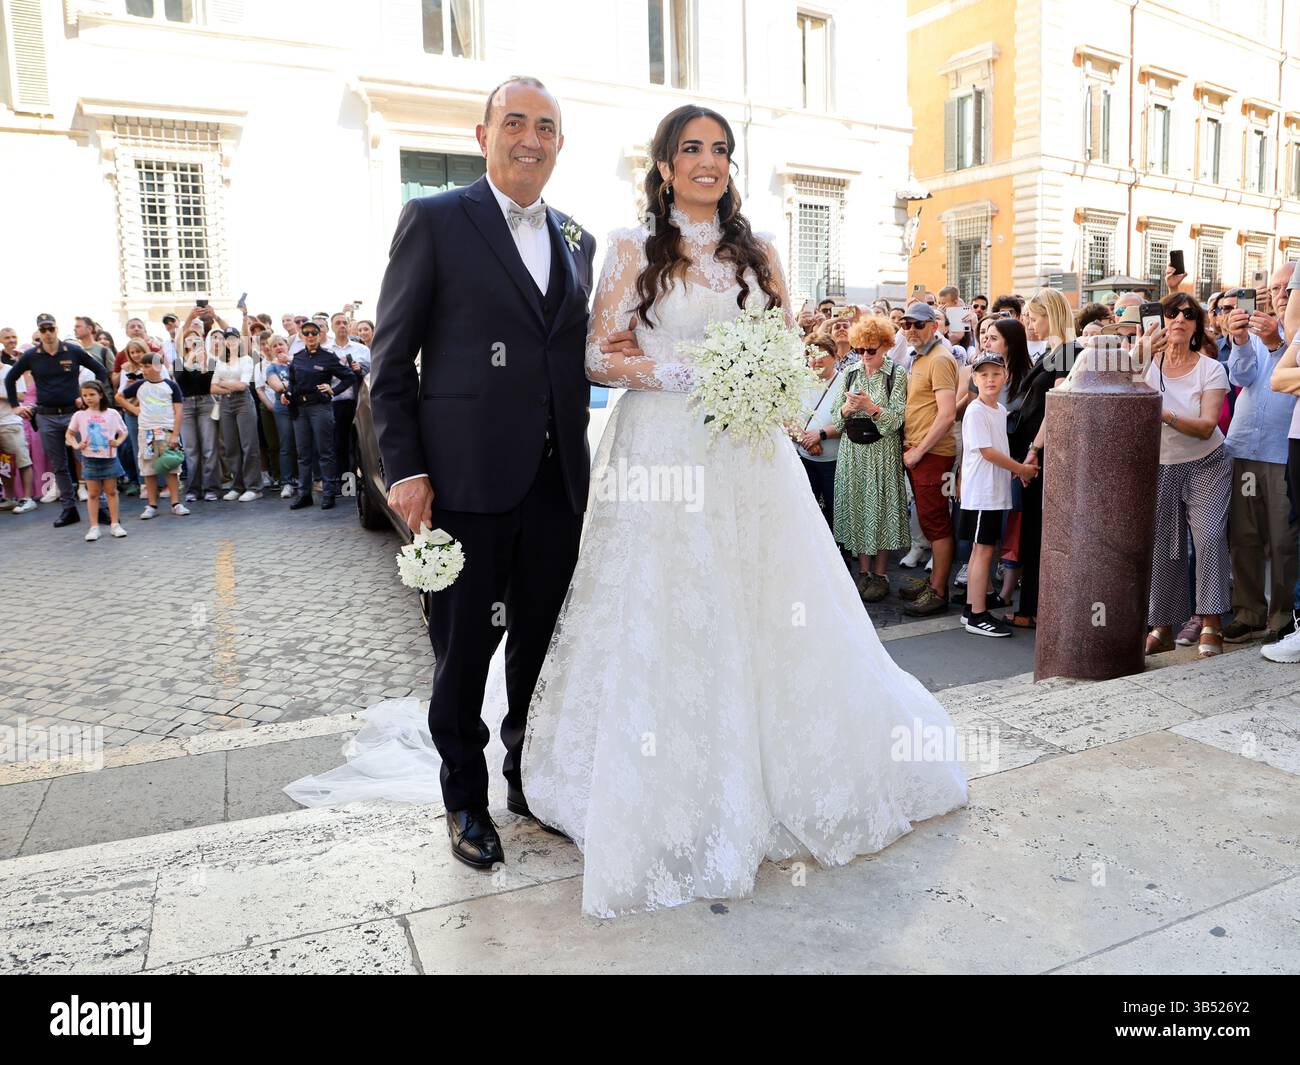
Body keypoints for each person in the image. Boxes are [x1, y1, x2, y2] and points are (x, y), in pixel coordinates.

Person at [353, 75, 595, 868]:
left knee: (541, 641)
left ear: (561, 142)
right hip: (464, 485)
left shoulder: (577, 239)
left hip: (558, 486)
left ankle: (528, 777)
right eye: (516, 122)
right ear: (483, 132)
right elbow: (390, 364)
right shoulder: (434, 219)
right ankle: (466, 800)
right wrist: (408, 469)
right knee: (463, 651)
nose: (531, 138)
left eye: (547, 127)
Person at [1143, 293, 1231, 659]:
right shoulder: (1147, 363)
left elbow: (1208, 426)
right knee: (1164, 546)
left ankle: (1211, 623)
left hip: (1206, 460)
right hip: (1162, 464)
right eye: (1171, 313)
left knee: (1208, 537)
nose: (1179, 319)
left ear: (1196, 326)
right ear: (1162, 320)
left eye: (1187, 314)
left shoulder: (1211, 368)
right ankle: (1162, 626)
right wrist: (1142, 351)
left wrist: (1165, 415)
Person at [1222, 263, 1297, 643]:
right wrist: (1239, 342)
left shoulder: (1295, 334)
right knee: (1245, 535)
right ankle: (1249, 611)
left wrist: (1275, 343)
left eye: (1288, 287)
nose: (1281, 293)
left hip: (1282, 451)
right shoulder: (1258, 328)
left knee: (1283, 539)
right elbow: (1242, 378)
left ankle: (1282, 617)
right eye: (1276, 287)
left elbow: (1285, 380)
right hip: (1246, 446)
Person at [1001, 288, 1075, 627]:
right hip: (1035, 450)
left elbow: (1055, 408)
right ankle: (1030, 606)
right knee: (1031, 530)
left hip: (1044, 454)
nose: (1029, 323)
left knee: (1037, 531)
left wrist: (1034, 449)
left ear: (1050, 315)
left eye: (1033, 317)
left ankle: (1033, 608)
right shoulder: (1054, 350)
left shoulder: (1068, 351)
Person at [4, 313, 110, 527]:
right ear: (39, 331)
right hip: (47, 416)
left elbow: (100, 370)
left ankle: (101, 508)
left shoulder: (72, 351)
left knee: (88, 459)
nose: (47, 333)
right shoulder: (32, 355)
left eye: (50, 328)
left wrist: (89, 397)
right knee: (59, 465)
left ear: (56, 329)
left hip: (74, 414)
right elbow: (10, 377)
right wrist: (15, 406)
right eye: (43, 330)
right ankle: (68, 509)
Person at [958, 352, 1037, 637]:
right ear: (974, 379)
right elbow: (988, 452)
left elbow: (1000, 449)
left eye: (995, 374)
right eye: (983, 375)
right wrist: (1021, 469)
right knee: (982, 551)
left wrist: (1017, 471)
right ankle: (976, 614)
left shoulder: (999, 410)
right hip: (981, 492)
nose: (990, 380)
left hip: (994, 492)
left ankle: (972, 608)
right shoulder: (976, 410)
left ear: (1004, 377)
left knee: (986, 549)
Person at [832, 314, 909, 602]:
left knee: (882, 507)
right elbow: (835, 420)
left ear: (886, 346)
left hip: (882, 453)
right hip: (853, 451)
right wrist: (847, 410)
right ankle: (862, 573)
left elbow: (895, 421)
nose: (865, 355)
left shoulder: (896, 374)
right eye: (860, 349)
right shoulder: (850, 372)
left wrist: (871, 407)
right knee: (858, 508)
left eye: (871, 350)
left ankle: (880, 574)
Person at [895, 302, 958, 616]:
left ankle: (938, 590)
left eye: (917, 325)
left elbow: (947, 415)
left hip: (932, 453)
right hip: (919, 452)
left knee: (937, 523)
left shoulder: (941, 359)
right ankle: (934, 582)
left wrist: (919, 451)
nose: (910, 330)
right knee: (929, 520)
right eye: (906, 324)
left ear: (934, 325)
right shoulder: (918, 357)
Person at [284, 318, 355, 510]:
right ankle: (304, 494)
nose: (310, 336)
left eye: (313, 333)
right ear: (301, 336)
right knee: (303, 454)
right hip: (300, 409)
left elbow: (349, 376)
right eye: (306, 333)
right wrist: (287, 394)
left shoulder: (328, 357)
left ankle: (329, 493)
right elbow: (292, 383)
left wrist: (333, 389)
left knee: (325, 452)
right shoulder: (297, 357)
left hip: (320, 408)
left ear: (320, 335)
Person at [120, 354, 189, 519]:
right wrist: (134, 409)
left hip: (166, 431)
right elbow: (119, 396)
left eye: (148, 366)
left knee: (171, 466)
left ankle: (175, 502)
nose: (144, 369)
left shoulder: (171, 385)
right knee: (148, 469)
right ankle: (151, 504)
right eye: (142, 366)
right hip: (147, 432)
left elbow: (179, 410)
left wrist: (175, 434)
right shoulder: (139, 385)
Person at [65, 380, 128, 540]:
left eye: (92, 394)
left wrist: (118, 442)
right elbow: (69, 433)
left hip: (109, 459)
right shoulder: (79, 415)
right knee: (92, 494)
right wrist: (76, 445)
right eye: (85, 395)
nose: (88, 398)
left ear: (100, 395)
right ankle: (94, 527)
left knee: (111, 492)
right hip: (89, 459)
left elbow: (123, 432)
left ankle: (115, 524)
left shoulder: (112, 413)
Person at [173, 309, 222, 502]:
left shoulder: (209, 361)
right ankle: (193, 488)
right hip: (186, 405)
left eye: (197, 340)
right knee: (191, 449)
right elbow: (181, 381)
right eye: (189, 340)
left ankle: (212, 488)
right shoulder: (178, 361)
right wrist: (190, 359)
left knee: (209, 447)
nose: (193, 343)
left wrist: (202, 363)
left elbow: (208, 383)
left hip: (205, 403)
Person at [793, 335, 842, 528]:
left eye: (823, 353)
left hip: (834, 462)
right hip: (804, 458)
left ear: (834, 356)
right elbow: (784, 416)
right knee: (806, 509)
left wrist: (820, 435)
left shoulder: (845, 381)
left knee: (834, 511)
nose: (817, 359)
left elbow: (849, 421)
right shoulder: (799, 381)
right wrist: (805, 439)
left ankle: (838, 554)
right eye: (812, 354)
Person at [211, 326, 262, 501]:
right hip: (226, 403)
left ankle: (253, 487)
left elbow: (243, 385)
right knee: (231, 446)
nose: (230, 341)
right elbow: (212, 387)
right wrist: (229, 385)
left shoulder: (246, 359)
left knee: (249, 444)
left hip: (243, 402)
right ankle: (237, 485)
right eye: (227, 338)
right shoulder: (220, 361)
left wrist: (224, 383)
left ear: (239, 340)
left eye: (234, 338)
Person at [324, 311, 371, 477]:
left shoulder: (362, 349)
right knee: (339, 443)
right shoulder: (326, 351)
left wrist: (359, 369)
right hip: (334, 401)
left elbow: (369, 374)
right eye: (338, 323)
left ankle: (361, 481)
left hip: (358, 402)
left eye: (344, 322)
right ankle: (344, 481)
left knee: (360, 444)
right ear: (332, 327)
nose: (342, 326)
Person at [0, 354, 37, 513]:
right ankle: (9, 498)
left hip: (10, 422)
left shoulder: (11, 370)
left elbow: (21, 396)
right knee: (4, 463)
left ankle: (27, 499)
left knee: (22, 459)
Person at [261, 334, 297, 499]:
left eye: (281, 344)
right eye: (274, 346)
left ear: (287, 345)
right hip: (282, 409)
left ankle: (305, 479)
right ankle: (287, 482)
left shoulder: (296, 362)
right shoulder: (271, 367)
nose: (278, 347)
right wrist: (294, 385)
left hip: (301, 407)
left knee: (302, 444)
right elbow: (276, 386)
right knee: (286, 444)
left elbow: (307, 377)